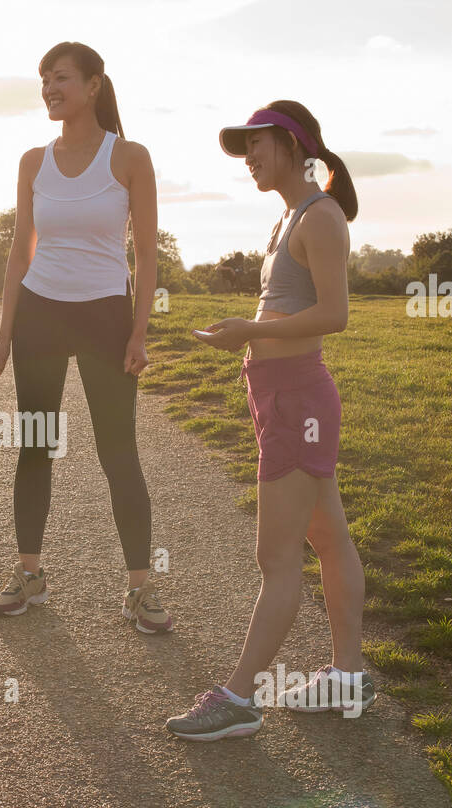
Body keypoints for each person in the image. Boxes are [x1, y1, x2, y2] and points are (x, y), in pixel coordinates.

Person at [165, 101, 370, 741]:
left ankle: (239, 698)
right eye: (244, 147)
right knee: (327, 538)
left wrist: (249, 331)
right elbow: (287, 307)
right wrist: (252, 340)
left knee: (276, 558)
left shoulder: (323, 216)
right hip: (279, 396)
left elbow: (335, 315)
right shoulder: (289, 218)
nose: (248, 158)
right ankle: (348, 676)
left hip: (299, 402)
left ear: (290, 144)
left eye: (256, 144)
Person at [0, 42, 171, 633]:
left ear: (93, 85)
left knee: (119, 453)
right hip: (41, 311)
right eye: (44, 81)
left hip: (103, 316)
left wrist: (139, 333)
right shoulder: (32, 161)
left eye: (60, 78)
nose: (49, 89)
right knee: (36, 446)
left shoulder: (130, 158)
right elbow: (20, 251)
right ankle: (29, 573)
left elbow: (144, 253)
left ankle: (140, 589)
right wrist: (4, 333)